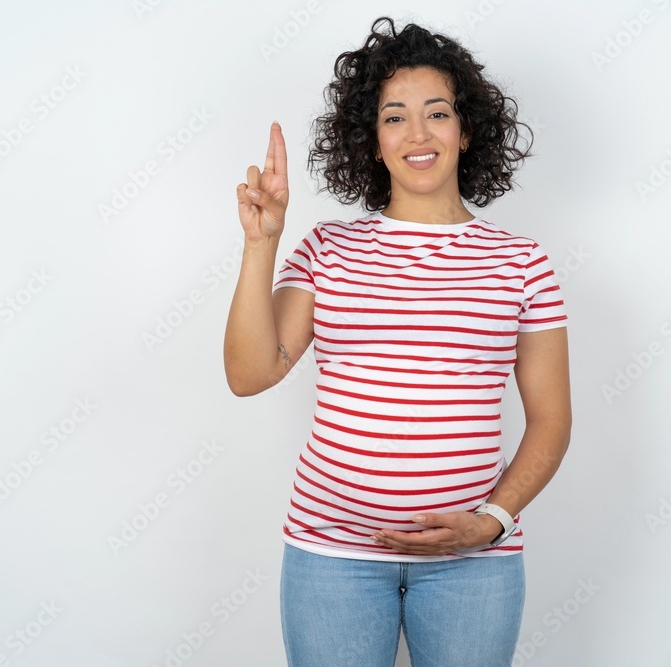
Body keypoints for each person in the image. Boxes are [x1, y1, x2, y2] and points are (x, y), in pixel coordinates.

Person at [224, 16, 572, 667]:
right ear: (371, 139)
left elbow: (551, 421)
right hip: (331, 555)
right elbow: (249, 373)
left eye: (437, 113)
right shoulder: (328, 249)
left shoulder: (522, 264)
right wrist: (262, 242)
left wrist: (491, 518)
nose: (418, 134)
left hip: (475, 562)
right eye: (394, 117)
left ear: (466, 131)